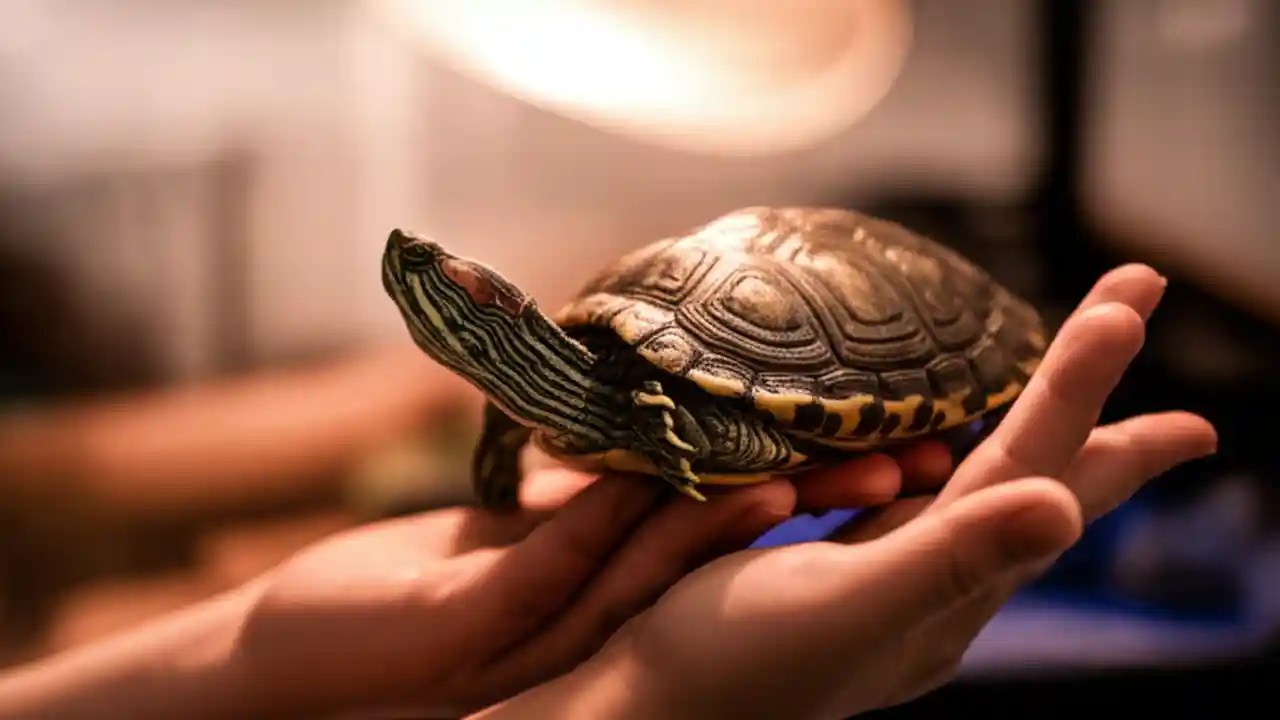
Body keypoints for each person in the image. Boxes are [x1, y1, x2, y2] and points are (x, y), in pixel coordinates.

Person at [0, 265, 1217, 719]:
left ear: (511, 327)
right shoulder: (554, 403)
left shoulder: (585, 395)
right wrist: (636, 700)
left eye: (464, 299)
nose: (424, 286)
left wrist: (248, 652)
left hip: (821, 347)